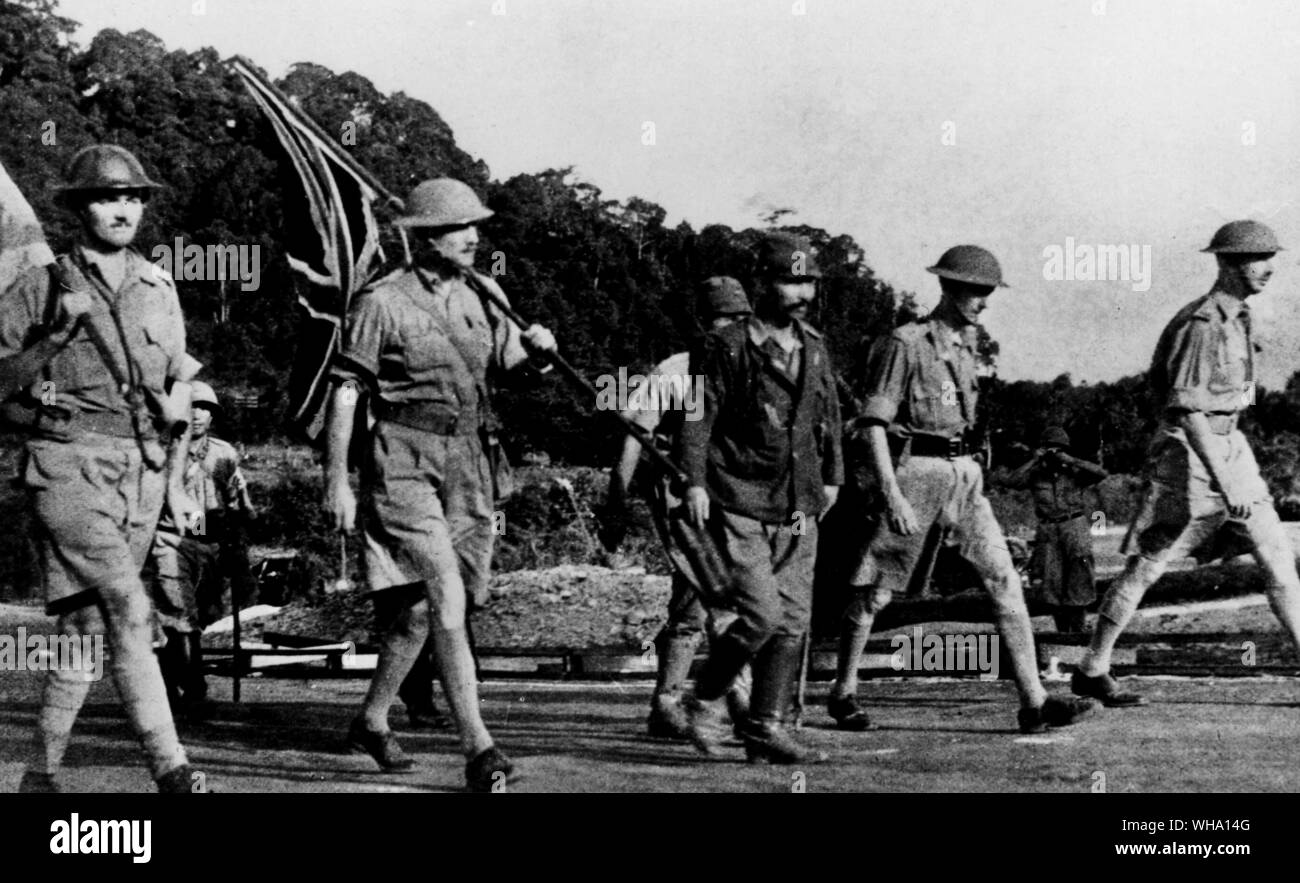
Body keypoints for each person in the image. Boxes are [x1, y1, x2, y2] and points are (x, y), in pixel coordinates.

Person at [323, 177, 557, 791]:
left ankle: (372, 720)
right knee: (444, 592)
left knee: (425, 611)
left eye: (476, 227)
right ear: (423, 236)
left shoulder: (488, 293)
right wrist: (337, 481)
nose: (473, 238)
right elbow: (346, 392)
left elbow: (512, 374)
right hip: (403, 461)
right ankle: (479, 747)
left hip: (472, 462)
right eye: (459, 229)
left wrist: (537, 353)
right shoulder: (381, 302)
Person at [826, 245, 1095, 734]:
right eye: (975, 292)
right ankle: (843, 692)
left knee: (1004, 581)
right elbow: (872, 426)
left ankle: (1035, 702)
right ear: (947, 287)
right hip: (916, 476)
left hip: (965, 477)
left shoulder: (969, 343)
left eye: (988, 293)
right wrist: (892, 494)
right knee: (875, 596)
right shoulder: (904, 343)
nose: (983, 302)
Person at [2, 144, 202, 793]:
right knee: (128, 602)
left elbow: (179, 381)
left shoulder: (160, 287)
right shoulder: (42, 285)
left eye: (131, 197)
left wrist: (178, 441)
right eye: (104, 197)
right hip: (65, 462)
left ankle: (41, 770)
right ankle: (172, 768)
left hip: (138, 472)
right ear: (79, 207)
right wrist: (56, 338)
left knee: (89, 625)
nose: (120, 209)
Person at [1072, 220, 1300, 707]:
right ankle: (1093, 666)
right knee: (1149, 566)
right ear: (1226, 263)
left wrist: (1234, 468)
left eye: (1270, 257)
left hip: (1229, 444)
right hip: (1189, 453)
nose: (1269, 268)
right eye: (1257, 260)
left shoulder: (1239, 317)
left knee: (1278, 558)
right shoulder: (1202, 324)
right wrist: (1223, 480)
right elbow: (1187, 410)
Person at [677, 233, 842, 764]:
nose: (802, 293)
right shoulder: (726, 346)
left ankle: (766, 727)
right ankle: (702, 700)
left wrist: (833, 476)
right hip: (740, 496)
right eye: (791, 281)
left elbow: (829, 417)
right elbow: (699, 414)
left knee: (794, 619)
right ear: (763, 285)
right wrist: (695, 481)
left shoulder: (813, 347)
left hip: (798, 503)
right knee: (761, 616)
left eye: (809, 282)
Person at [603, 276, 754, 740]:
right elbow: (636, 434)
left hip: (732, 492)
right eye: (722, 322)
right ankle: (683, 701)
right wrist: (617, 499)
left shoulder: (751, 369)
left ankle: (709, 700)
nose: (731, 331)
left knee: (730, 595)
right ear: (703, 325)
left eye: (739, 321)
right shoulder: (676, 371)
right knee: (698, 594)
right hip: (679, 491)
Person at [150, 379, 256, 715]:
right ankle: (191, 687)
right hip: (169, 540)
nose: (197, 414)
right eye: (191, 406)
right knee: (179, 613)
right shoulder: (160, 450)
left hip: (210, 545)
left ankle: (174, 681)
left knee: (202, 617)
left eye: (206, 408)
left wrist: (238, 555)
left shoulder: (223, 455)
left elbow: (238, 506)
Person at [1004, 426, 1107, 633]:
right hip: (1048, 529)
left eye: (1058, 448)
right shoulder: (1035, 474)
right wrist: (1035, 460)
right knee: (1051, 584)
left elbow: (1101, 473)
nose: (1053, 453)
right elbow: (1011, 481)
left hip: (1075, 525)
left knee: (1080, 578)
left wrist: (1070, 460)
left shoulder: (1075, 471)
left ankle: (1078, 631)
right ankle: (1062, 633)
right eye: (1049, 448)